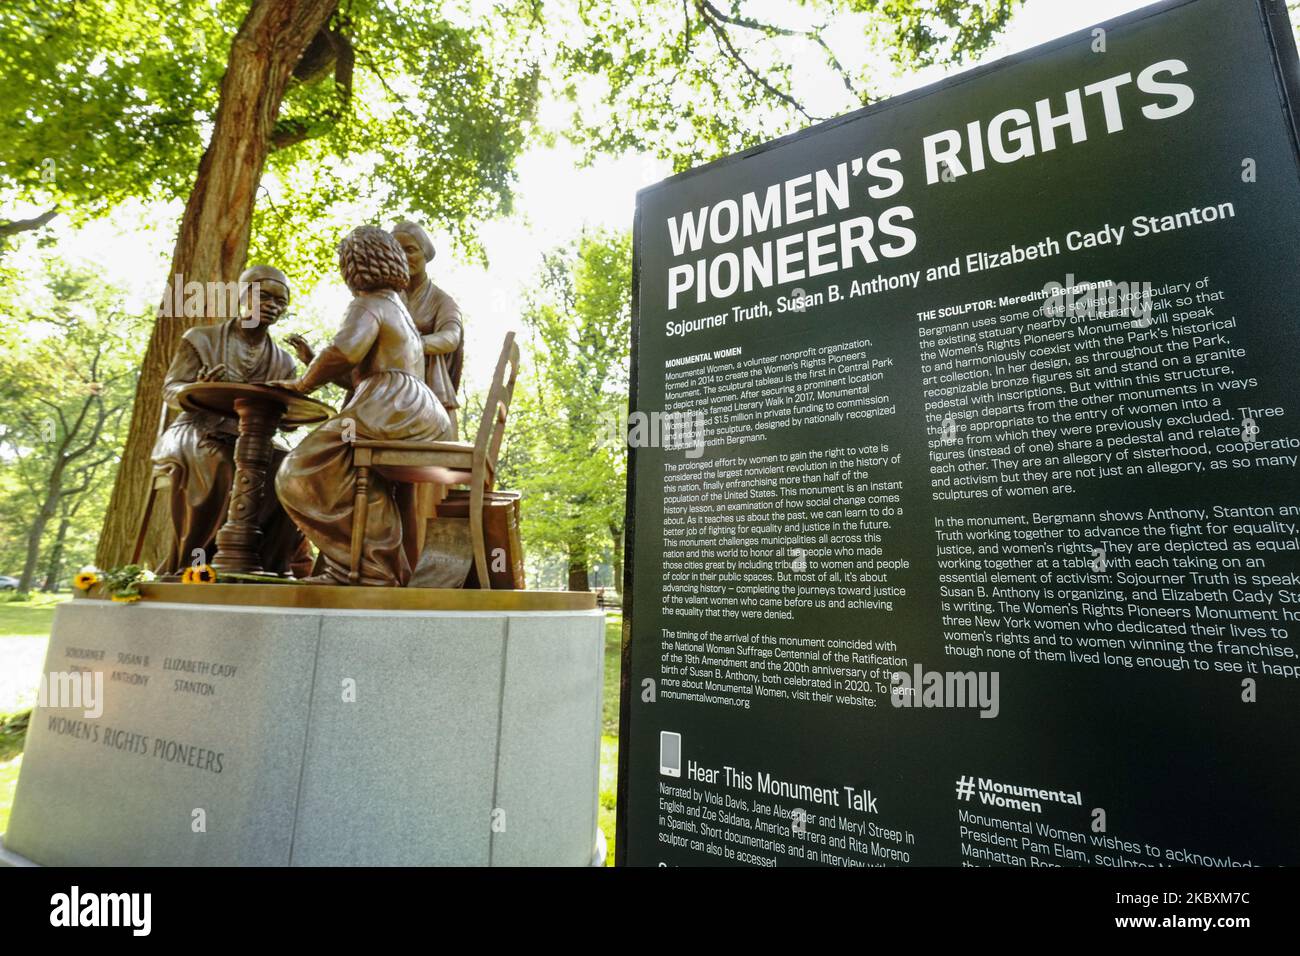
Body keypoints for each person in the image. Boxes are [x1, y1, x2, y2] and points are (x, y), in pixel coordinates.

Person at [271, 226, 452, 586]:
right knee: (352, 472)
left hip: (392, 406)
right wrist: (313, 363)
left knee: (297, 469)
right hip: (415, 410)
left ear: (355, 265)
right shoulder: (396, 307)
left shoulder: (368, 304)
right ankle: (375, 566)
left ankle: (363, 567)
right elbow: (361, 375)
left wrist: (302, 383)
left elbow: (343, 351)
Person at [150, 265, 310, 575]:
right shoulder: (201, 338)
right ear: (243, 296)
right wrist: (197, 387)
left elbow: (287, 422)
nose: (273, 306)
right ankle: (196, 561)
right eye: (264, 296)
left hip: (253, 437)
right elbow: (171, 389)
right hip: (196, 429)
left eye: (281, 302)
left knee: (293, 470)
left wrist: (305, 388)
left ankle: (267, 564)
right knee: (223, 463)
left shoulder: (284, 361)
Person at [391, 220, 463, 434]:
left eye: (410, 250)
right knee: (349, 431)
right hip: (389, 385)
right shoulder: (387, 298)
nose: (403, 257)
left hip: (430, 386)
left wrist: (414, 344)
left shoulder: (442, 300)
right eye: (397, 250)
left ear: (425, 254)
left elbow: (451, 337)